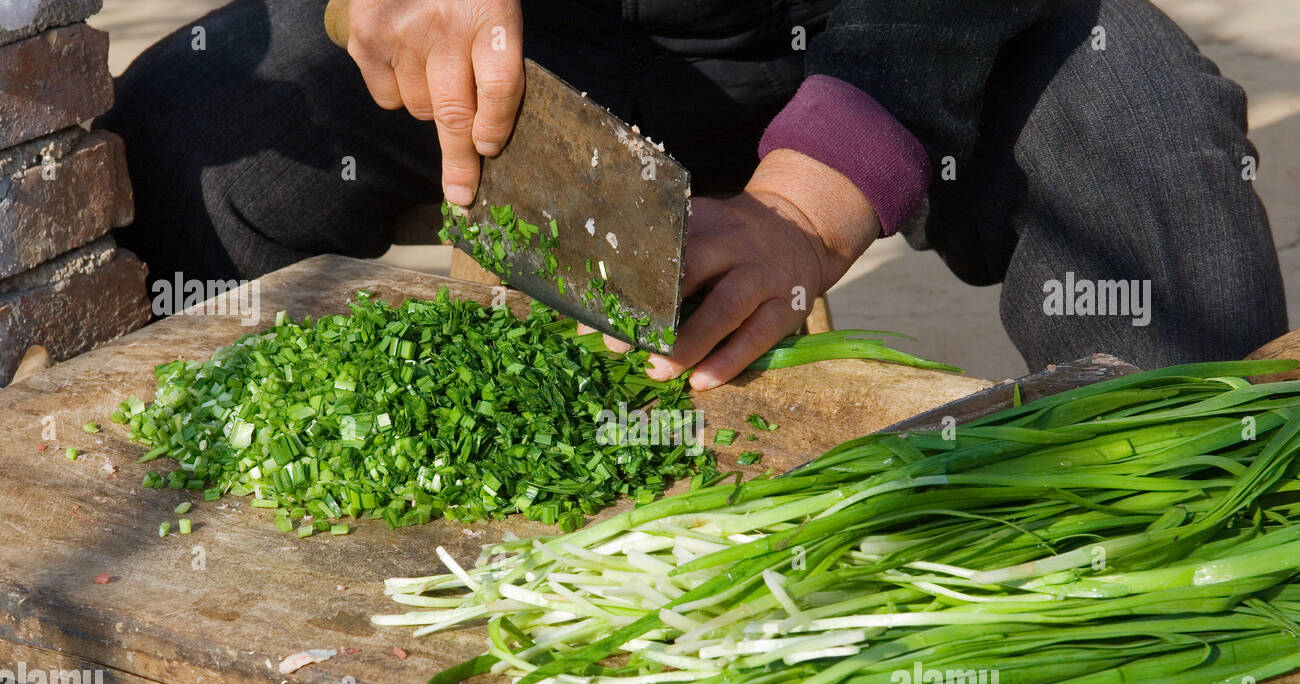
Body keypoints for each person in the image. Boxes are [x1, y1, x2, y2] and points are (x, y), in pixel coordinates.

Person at [99, 0, 1286, 390]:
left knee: (1139, 122)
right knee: (190, 129)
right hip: (549, 35)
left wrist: (809, 206)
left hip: (906, 33)